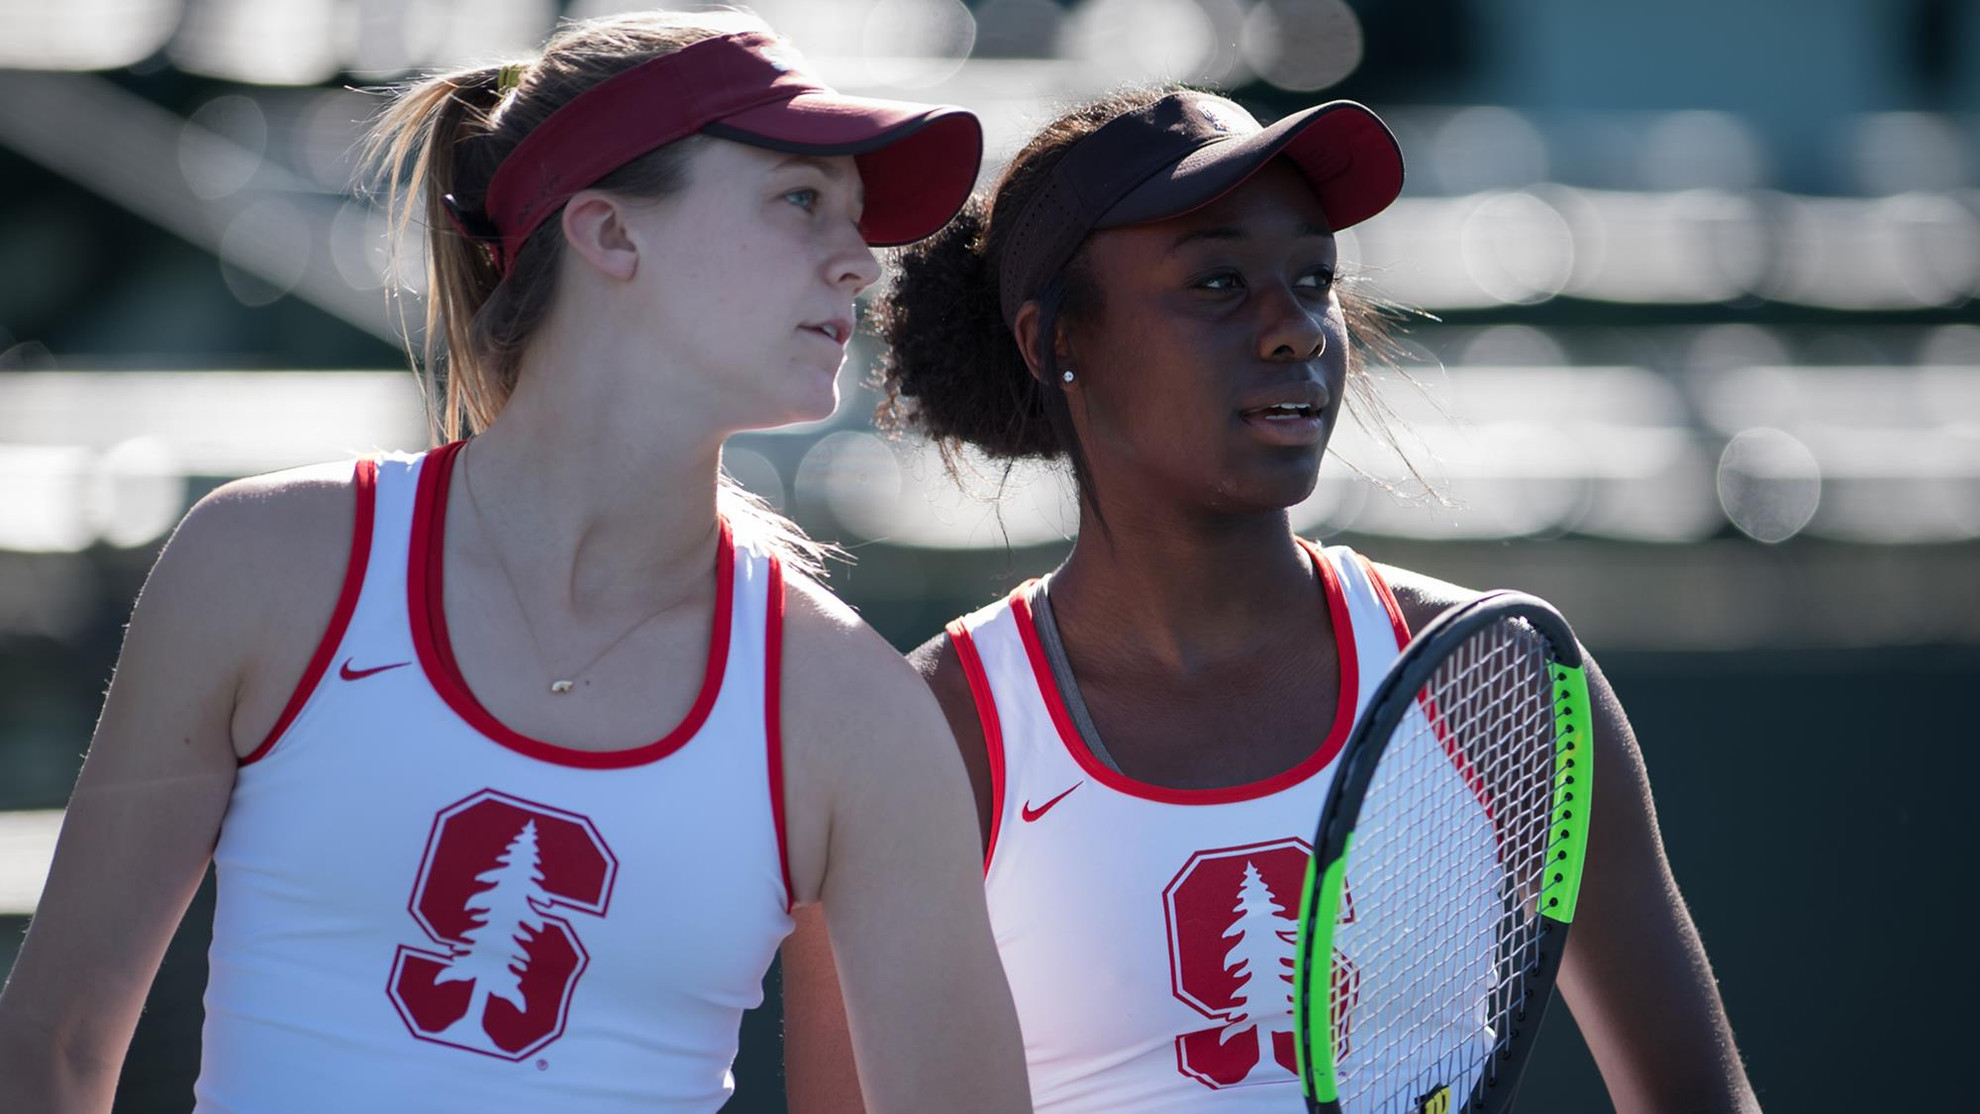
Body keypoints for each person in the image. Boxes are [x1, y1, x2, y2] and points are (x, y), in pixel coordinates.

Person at [0, 12, 1028, 1113]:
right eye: (800, 200)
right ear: (610, 233)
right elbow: (53, 1048)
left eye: (855, 217)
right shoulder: (263, 566)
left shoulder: (854, 713)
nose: (859, 260)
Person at [781, 88, 1762, 1113]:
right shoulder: (925, 733)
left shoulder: (1498, 677)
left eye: (1314, 279)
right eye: (1218, 282)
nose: (1294, 329)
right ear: (1052, 340)